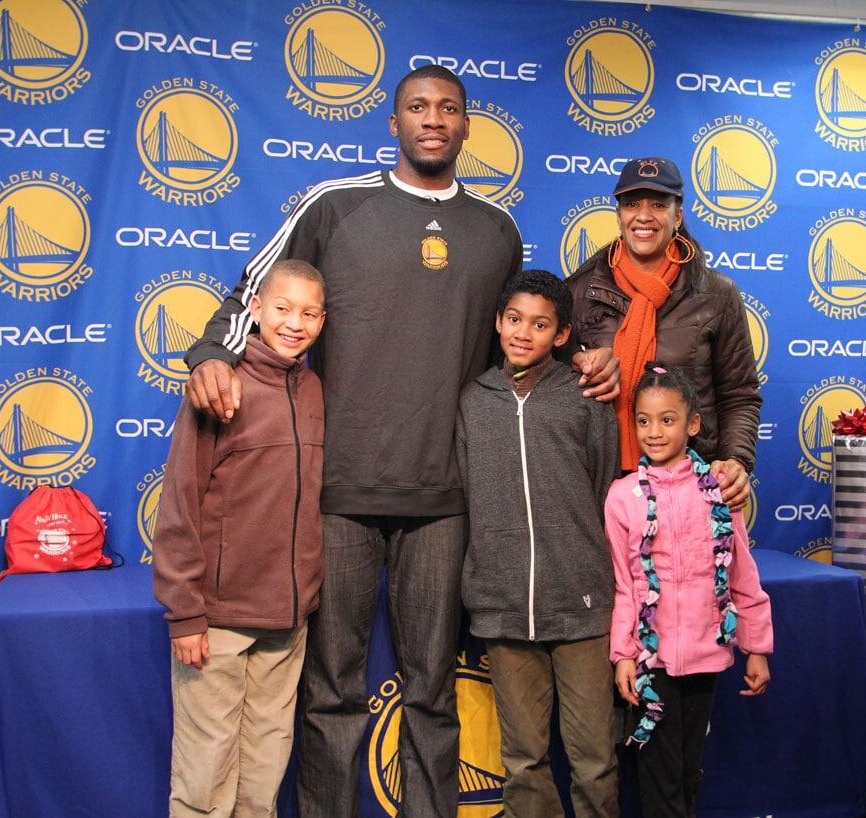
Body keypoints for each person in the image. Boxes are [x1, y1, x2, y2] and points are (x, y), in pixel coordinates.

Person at [184, 65, 617, 818]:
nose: (433, 119)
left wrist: (580, 356)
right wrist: (213, 355)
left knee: (431, 687)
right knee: (331, 689)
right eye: (417, 106)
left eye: (449, 108)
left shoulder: (496, 230)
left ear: (466, 126)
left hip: (447, 498)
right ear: (394, 122)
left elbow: (523, 335)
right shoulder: (336, 204)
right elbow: (250, 293)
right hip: (339, 491)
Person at [152, 259, 327, 817]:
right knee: (205, 779)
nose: (294, 323)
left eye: (308, 312)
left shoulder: (315, 389)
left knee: (263, 776)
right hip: (219, 620)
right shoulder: (220, 384)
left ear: (323, 320)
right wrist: (185, 612)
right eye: (281, 308)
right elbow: (180, 499)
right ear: (254, 309)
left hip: (287, 621)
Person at [456, 269, 620, 818]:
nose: (524, 332)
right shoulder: (473, 401)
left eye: (540, 323)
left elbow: (601, 489)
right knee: (523, 758)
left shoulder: (584, 397)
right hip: (502, 605)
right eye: (514, 319)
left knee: (595, 757)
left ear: (562, 334)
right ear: (499, 324)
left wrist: (581, 559)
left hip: (581, 605)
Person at [605, 361, 773, 818]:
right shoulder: (622, 497)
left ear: (693, 424)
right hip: (651, 662)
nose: (654, 431)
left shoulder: (719, 491)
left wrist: (756, 647)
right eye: (643, 420)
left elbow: (742, 574)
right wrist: (623, 654)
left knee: (688, 769)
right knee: (658, 774)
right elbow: (625, 584)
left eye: (667, 419)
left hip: (706, 656)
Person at [565, 156, 761, 509]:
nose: (643, 216)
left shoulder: (717, 294)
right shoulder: (579, 291)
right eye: (631, 204)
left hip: (691, 483)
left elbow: (739, 394)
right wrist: (576, 360)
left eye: (658, 204)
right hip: (602, 485)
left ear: (678, 215)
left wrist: (736, 460)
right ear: (619, 215)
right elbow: (548, 375)